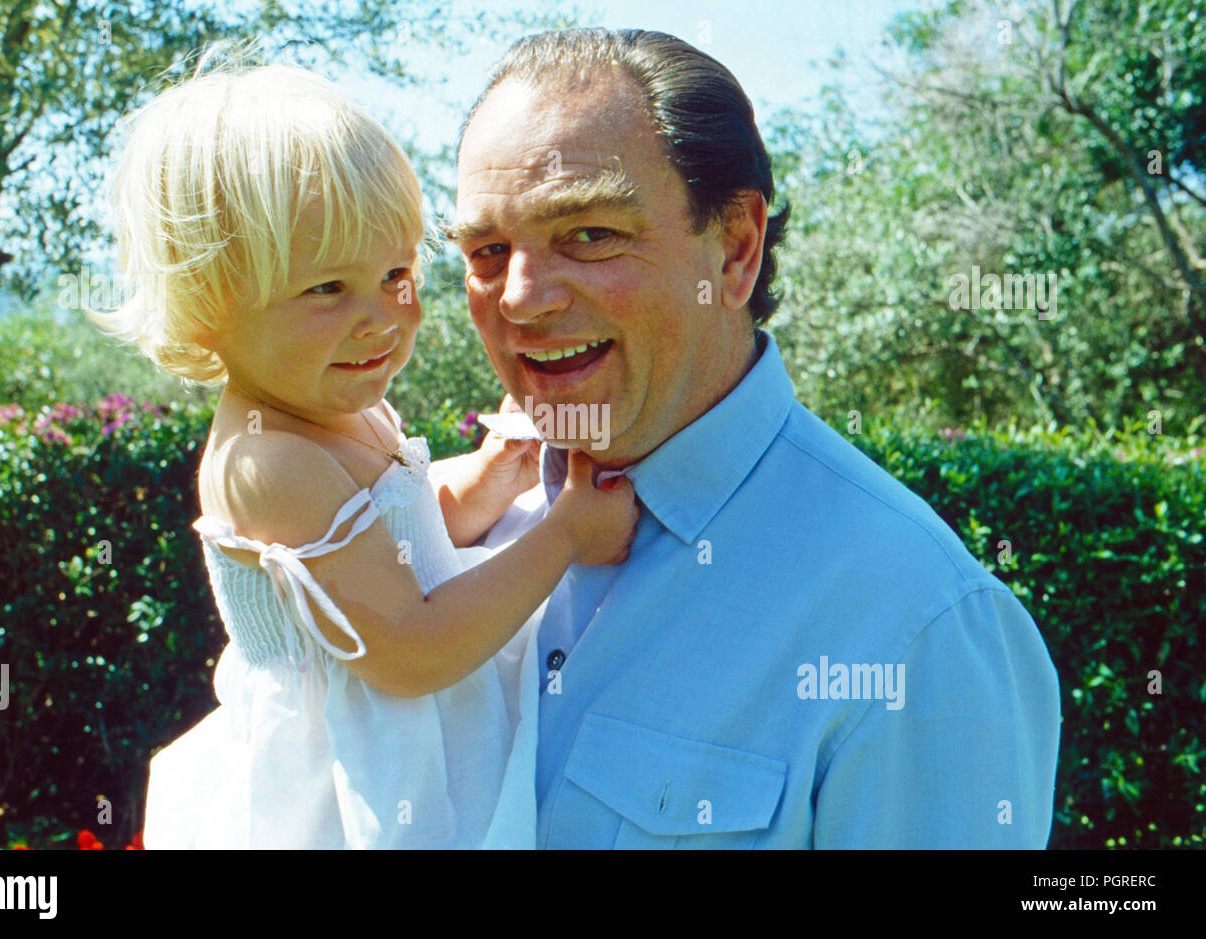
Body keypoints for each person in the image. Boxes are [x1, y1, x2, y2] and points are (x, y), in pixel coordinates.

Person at [446, 28, 1063, 848]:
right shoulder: (446, 530)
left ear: (736, 248)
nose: (519, 297)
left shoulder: (922, 624)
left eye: (589, 234)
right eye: (487, 250)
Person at [94, 58, 638, 848]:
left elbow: (399, 531)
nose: (380, 318)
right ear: (210, 303)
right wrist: (565, 537)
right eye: (326, 290)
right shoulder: (267, 462)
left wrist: (486, 478)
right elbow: (411, 650)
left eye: (394, 274)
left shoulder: (333, 398)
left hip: (423, 715)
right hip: (359, 774)